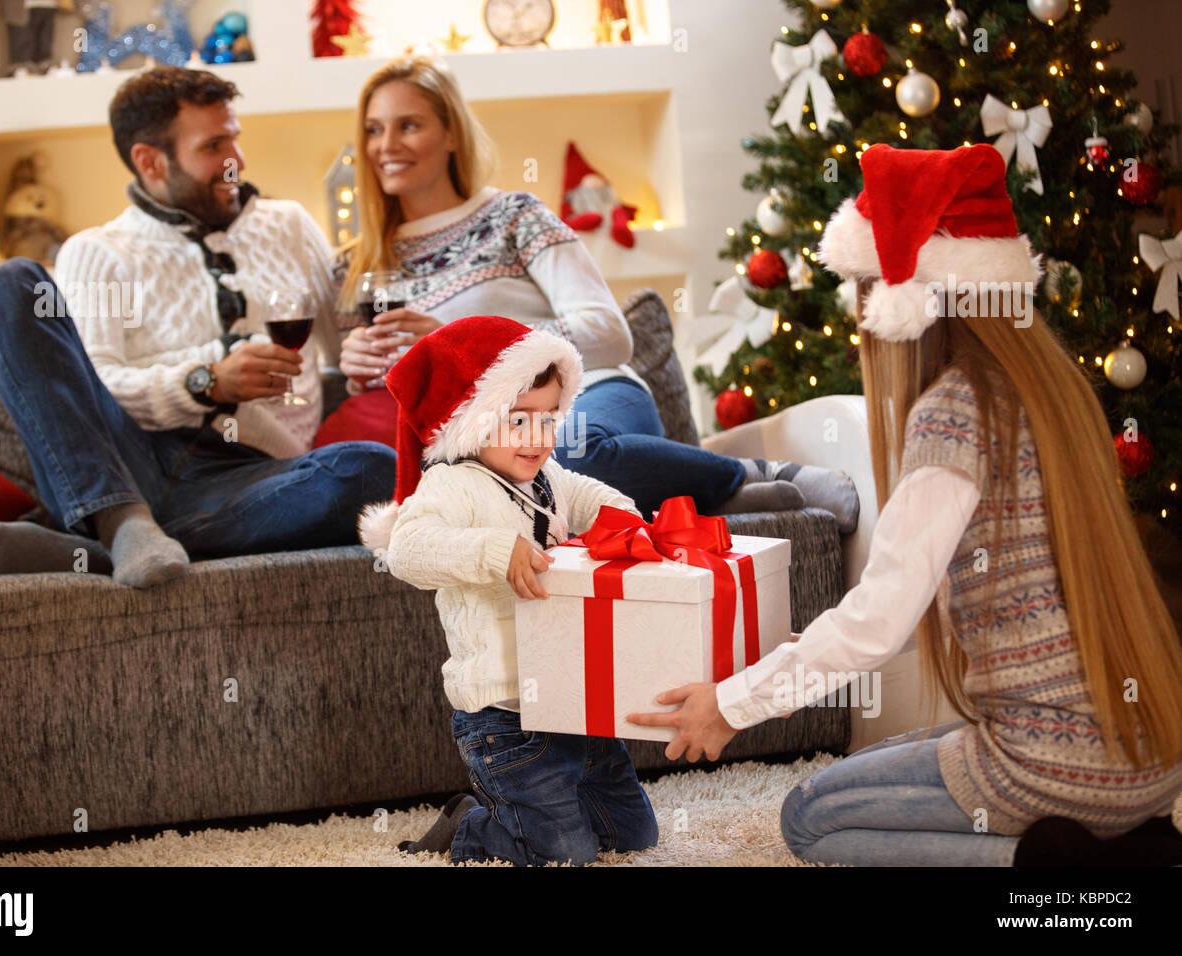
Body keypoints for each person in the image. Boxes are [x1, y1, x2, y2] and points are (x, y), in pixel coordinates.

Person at [627, 144, 1182, 867]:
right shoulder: (1049, 387)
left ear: (904, 300)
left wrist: (730, 706)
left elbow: (879, 618)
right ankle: (1122, 840)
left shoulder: (955, 409)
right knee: (896, 761)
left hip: (1053, 764)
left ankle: (1069, 871)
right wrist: (784, 666)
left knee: (811, 817)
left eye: (860, 289)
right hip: (1150, 756)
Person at [318, 55, 859, 528]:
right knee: (519, 479)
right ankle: (713, 501)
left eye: (408, 125)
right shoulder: (356, 266)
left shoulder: (514, 216)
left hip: (588, 391)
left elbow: (609, 333)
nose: (385, 146)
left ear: (452, 133)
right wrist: (356, 367)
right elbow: (385, 405)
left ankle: (749, 472)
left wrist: (468, 345)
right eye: (372, 129)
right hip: (490, 445)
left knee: (568, 460)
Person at [0, 66, 395, 587]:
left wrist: (376, 354)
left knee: (371, 468)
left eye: (234, 139)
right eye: (212, 146)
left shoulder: (289, 226)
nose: (235, 161)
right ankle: (123, 522)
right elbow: (97, 386)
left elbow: (350, 360)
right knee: (9, 284)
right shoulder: (98, 251)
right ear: (150, 161)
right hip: (133, 466)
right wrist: (205, 381)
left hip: (252, 478)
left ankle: (112, 548)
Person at [360, 315, 659, 866]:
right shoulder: (453, 484)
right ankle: (472, 829)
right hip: (507, 716)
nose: (537, 437)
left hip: (577, 700)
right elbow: (407, 550)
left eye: (548, 419)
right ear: (472, 421)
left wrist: (625, 522)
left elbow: (599, 497)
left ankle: (541, 815)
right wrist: (496, 551)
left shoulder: (549, 478)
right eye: (518, 419)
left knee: (635, 837)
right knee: (562, 853)